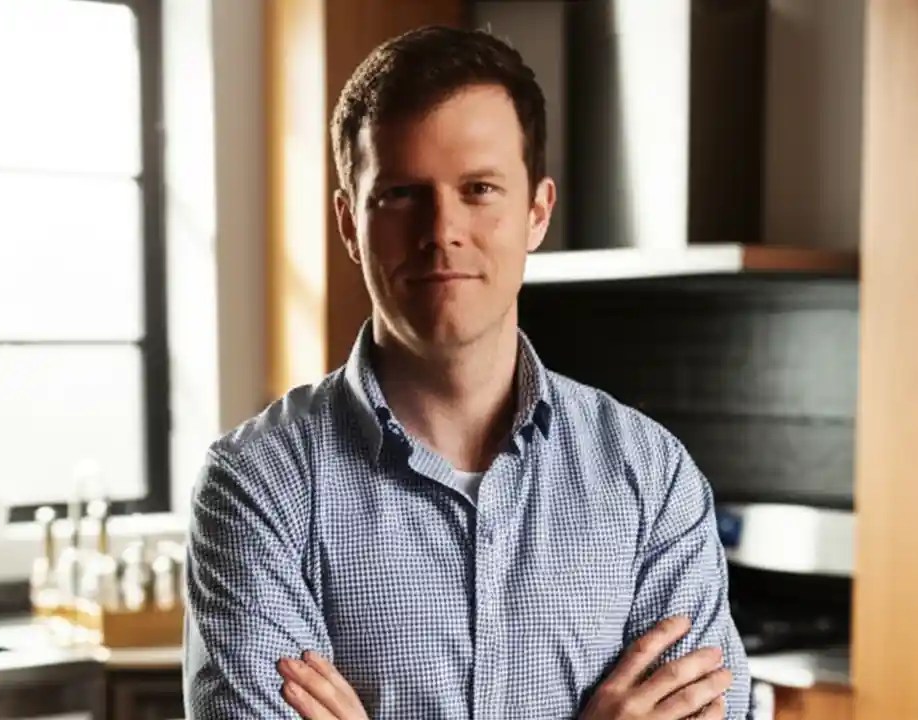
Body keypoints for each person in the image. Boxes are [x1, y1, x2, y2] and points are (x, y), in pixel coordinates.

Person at [184, 25, 750, 720]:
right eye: (399, 194)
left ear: (537, 211)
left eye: (479, 188)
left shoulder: (653, 477)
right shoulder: (257, 487)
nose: (442, 229)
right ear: (347, 224)